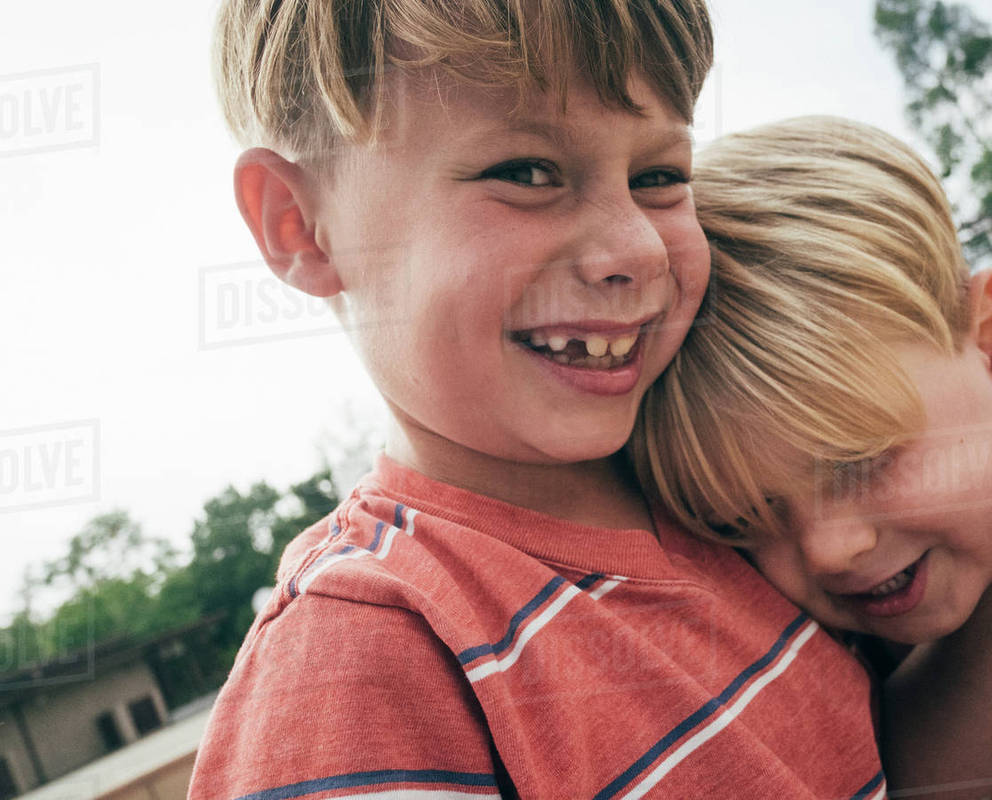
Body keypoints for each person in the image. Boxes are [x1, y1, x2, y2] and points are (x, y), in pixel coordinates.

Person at [188, 5, 894, 799]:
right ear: (301, 227)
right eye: (526, 173)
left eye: (659, 177)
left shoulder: (729, 492)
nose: (636, 248)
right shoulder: (359, 657)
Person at [631, 115, 992, 797]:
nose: (830, 551)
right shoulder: (790, 663)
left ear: (991, 343)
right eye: (737, 518)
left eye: (858, 459)